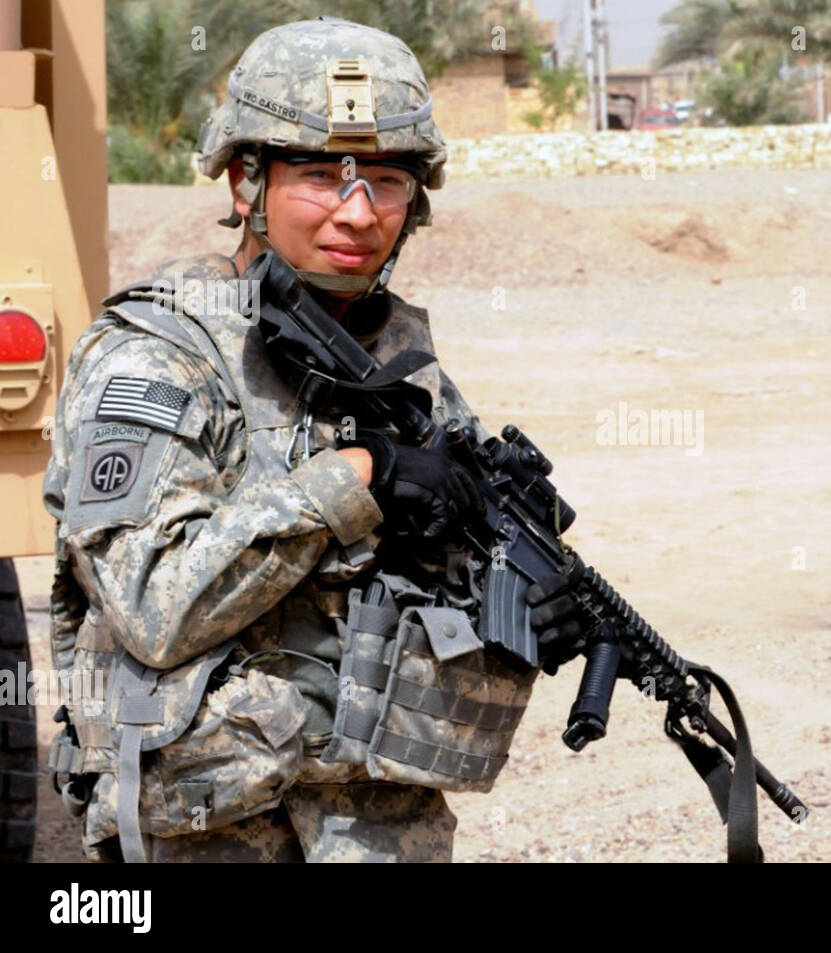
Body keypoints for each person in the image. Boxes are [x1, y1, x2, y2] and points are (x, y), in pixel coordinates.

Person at [43, 16, 583, 863]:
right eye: (323, 177)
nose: (358, 211)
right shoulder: (158, 353)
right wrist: (359, 475)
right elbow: (152, 603)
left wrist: (516, 601)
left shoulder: (405, 366)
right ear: (243, 182)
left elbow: (413, 593)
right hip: (211, 829)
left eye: (385, 180)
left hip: (380, 829)